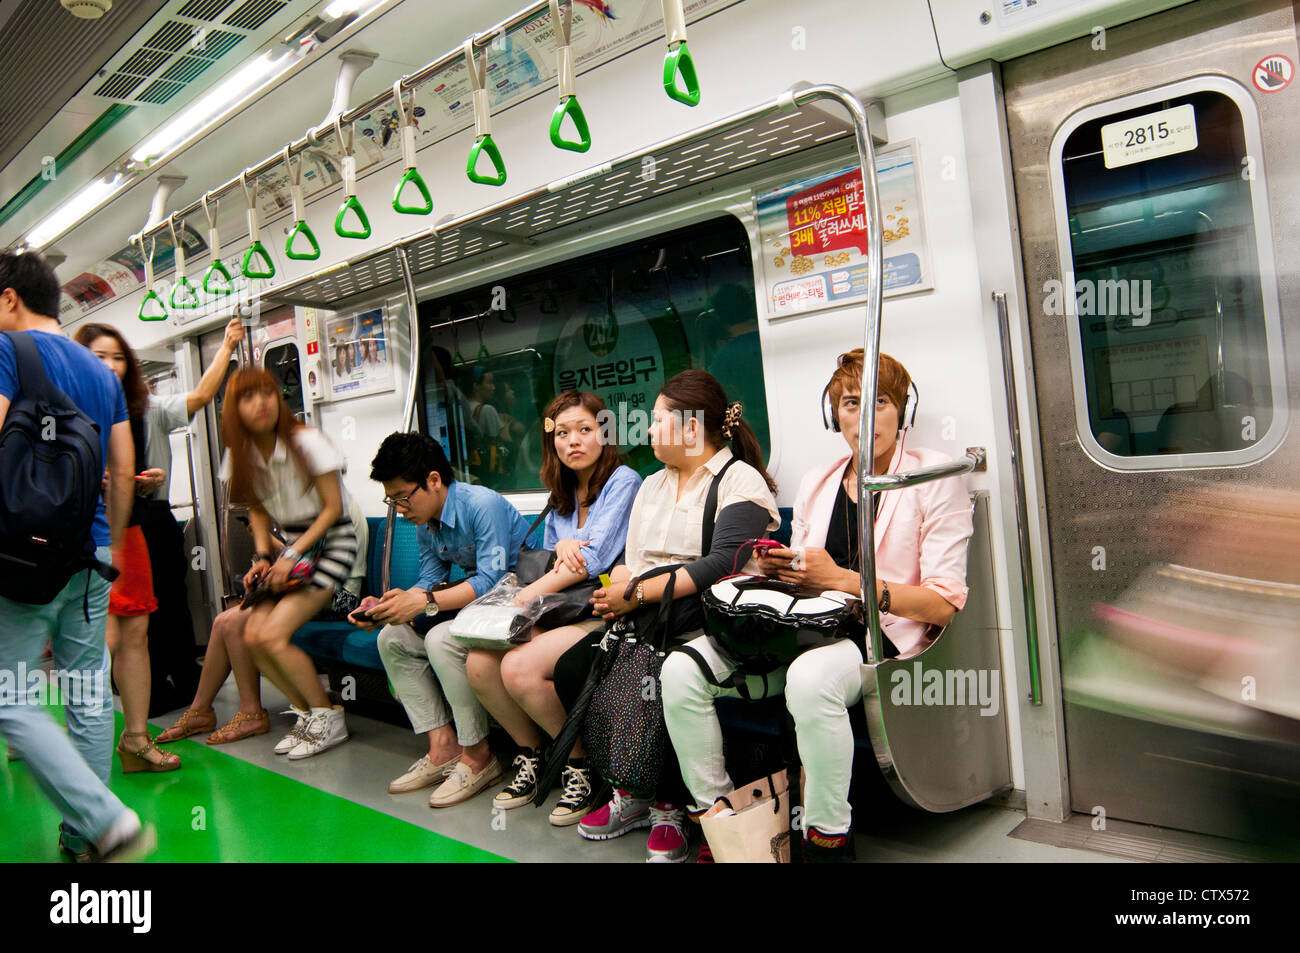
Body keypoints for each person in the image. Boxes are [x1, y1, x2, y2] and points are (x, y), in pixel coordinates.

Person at [661, 350, 974, 861]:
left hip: (879, 635)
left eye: (880, 401)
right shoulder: (819, 481)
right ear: (836, 416)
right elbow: (805, 575)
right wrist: (776, 569)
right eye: (852, 403)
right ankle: (725, 823)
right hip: (801, 626)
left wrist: (843, 579)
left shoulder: (930, 479)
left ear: (902, 411)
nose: (866, 415)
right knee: (678, 671)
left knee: (809, 679)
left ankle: (827, 841)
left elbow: (941, 607)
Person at [544, 369, 780, 862]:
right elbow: (630, 560)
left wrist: (637, 594)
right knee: (573, 669)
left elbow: (723, 564)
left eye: (656, 421)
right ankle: (632, 791)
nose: (647, 432)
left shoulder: (741, 480)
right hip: (648, 615)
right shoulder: (651, 485)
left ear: (690, 428)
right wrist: (618, 593)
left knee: (659, 674)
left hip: (705, 621)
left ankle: (671, 805)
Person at [0, 249, 154, 861]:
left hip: (19, 555)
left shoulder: (7, 352)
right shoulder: (99, 373)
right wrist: (108, 540)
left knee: (12, 697)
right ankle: (84, 838)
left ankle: (104, 818)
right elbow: (120, 469)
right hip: (87, 551)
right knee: (89, 692)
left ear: (9, 298)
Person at [456, 391, 640, 823]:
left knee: (516, 668)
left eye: (585, 430)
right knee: (480, 662)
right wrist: (562, 543)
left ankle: (580, 764)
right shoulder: (561, 491)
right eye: (562, 433)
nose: (572, 441)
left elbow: (592, 561)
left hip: (602, 608)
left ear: (605, 433)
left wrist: (526, 594)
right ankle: (533, 755)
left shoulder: (623, 481)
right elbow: (555, 556)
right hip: (563, 607)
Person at [72, 317, 246, 767]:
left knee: (151, 617)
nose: (110, 367)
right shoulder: (68, 410)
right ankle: (77, 732)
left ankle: (156, 713)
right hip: (88, 528)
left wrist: (227, 346)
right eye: (98, 358)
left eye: (117, 358)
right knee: (100, 633)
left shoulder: (146, 407)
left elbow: (203, 395)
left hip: (144, 520)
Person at [351, 432, 529, 806]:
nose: (399, 507)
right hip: (476, 610)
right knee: (392, 639)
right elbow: (429, 578)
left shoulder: (481, 505)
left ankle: (479, 757)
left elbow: (492, 581)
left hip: (517, 606)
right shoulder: (424, 519)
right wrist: (393, 604)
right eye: (391, 499)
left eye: (402, 497)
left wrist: (425, 602)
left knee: (439, 639)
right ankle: (442, 746)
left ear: (433, 480)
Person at [219, 368, 358, 759]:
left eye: (266, 393)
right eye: (248, 398)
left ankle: (330, 717)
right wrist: (264, 556)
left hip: (332, 541)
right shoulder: (240, 456)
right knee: (253, 636)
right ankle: (307, 712)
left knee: (274, 634)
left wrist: (291, 555)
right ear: (234, 409)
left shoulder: (308, 442)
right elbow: (258, 510)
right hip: (294, 547)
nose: (260, 403)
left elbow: (333, 510)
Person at [155, 500, 367, 746]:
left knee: (236, 622)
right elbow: (300, 559)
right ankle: (201, 710)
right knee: (224, 621)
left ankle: (252, 712)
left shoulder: (333, 505)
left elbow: (316, 567)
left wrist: (276, 570)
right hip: (310, 586)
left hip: (340, 596)